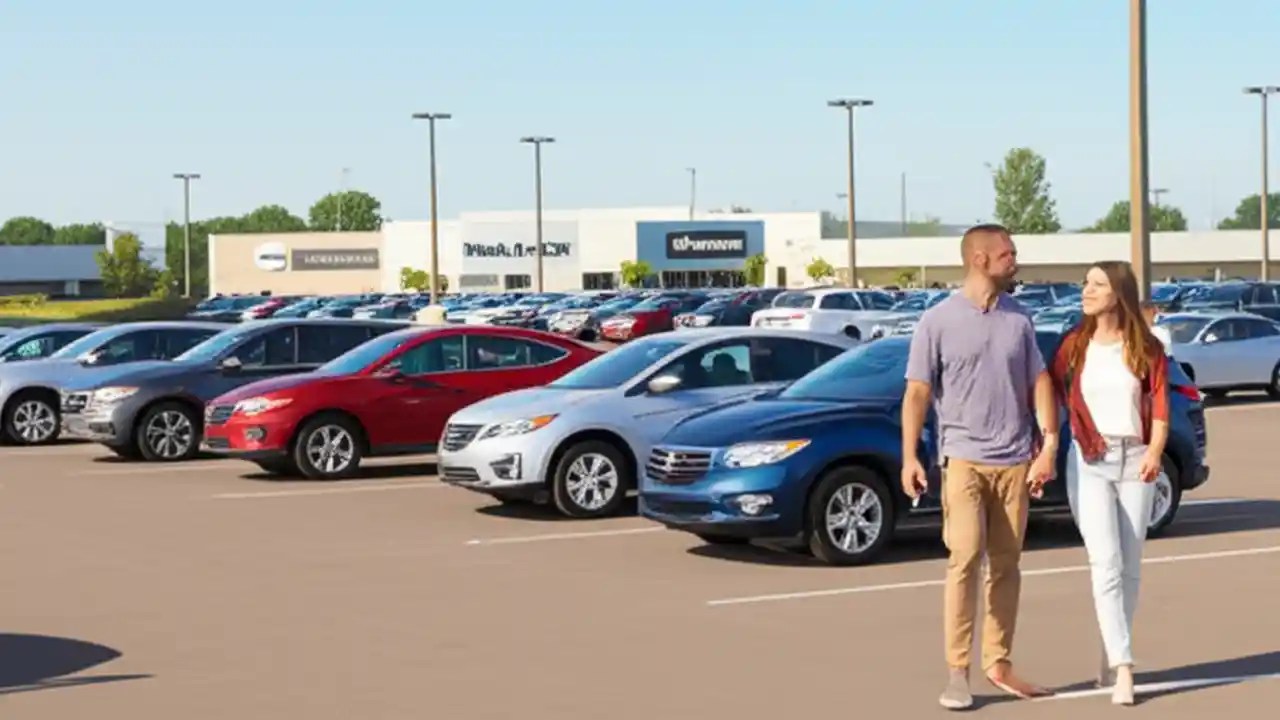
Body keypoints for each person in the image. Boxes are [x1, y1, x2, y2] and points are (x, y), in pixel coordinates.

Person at [901, 223, 1059, 710]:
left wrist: (1049, 445)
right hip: (964, 459)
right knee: (965, 558)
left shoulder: (1020, 319)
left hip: (1015, 460)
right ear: (980, 259)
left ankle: (999, 662)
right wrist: (910, 455)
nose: (1016, 260)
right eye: (1008, 253)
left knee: (1007, 565)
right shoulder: (938, 321)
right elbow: (917, 393)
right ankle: (957, 672)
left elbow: (1039, 381)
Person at [1049, 261, 1168, 706]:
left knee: (1131, 565)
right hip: (1091, 461)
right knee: (1105, 562)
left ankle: (1111, 647)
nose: (1087, 290)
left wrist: (1155, 452)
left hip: (1137, 460)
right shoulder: (1074, 346)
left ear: (1118, 294)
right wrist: (1050, 442)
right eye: (1086, 283)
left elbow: (1159, 406)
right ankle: (1124, 667)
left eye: (1097, 284)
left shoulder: (1147, 348)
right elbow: (1051, 391)